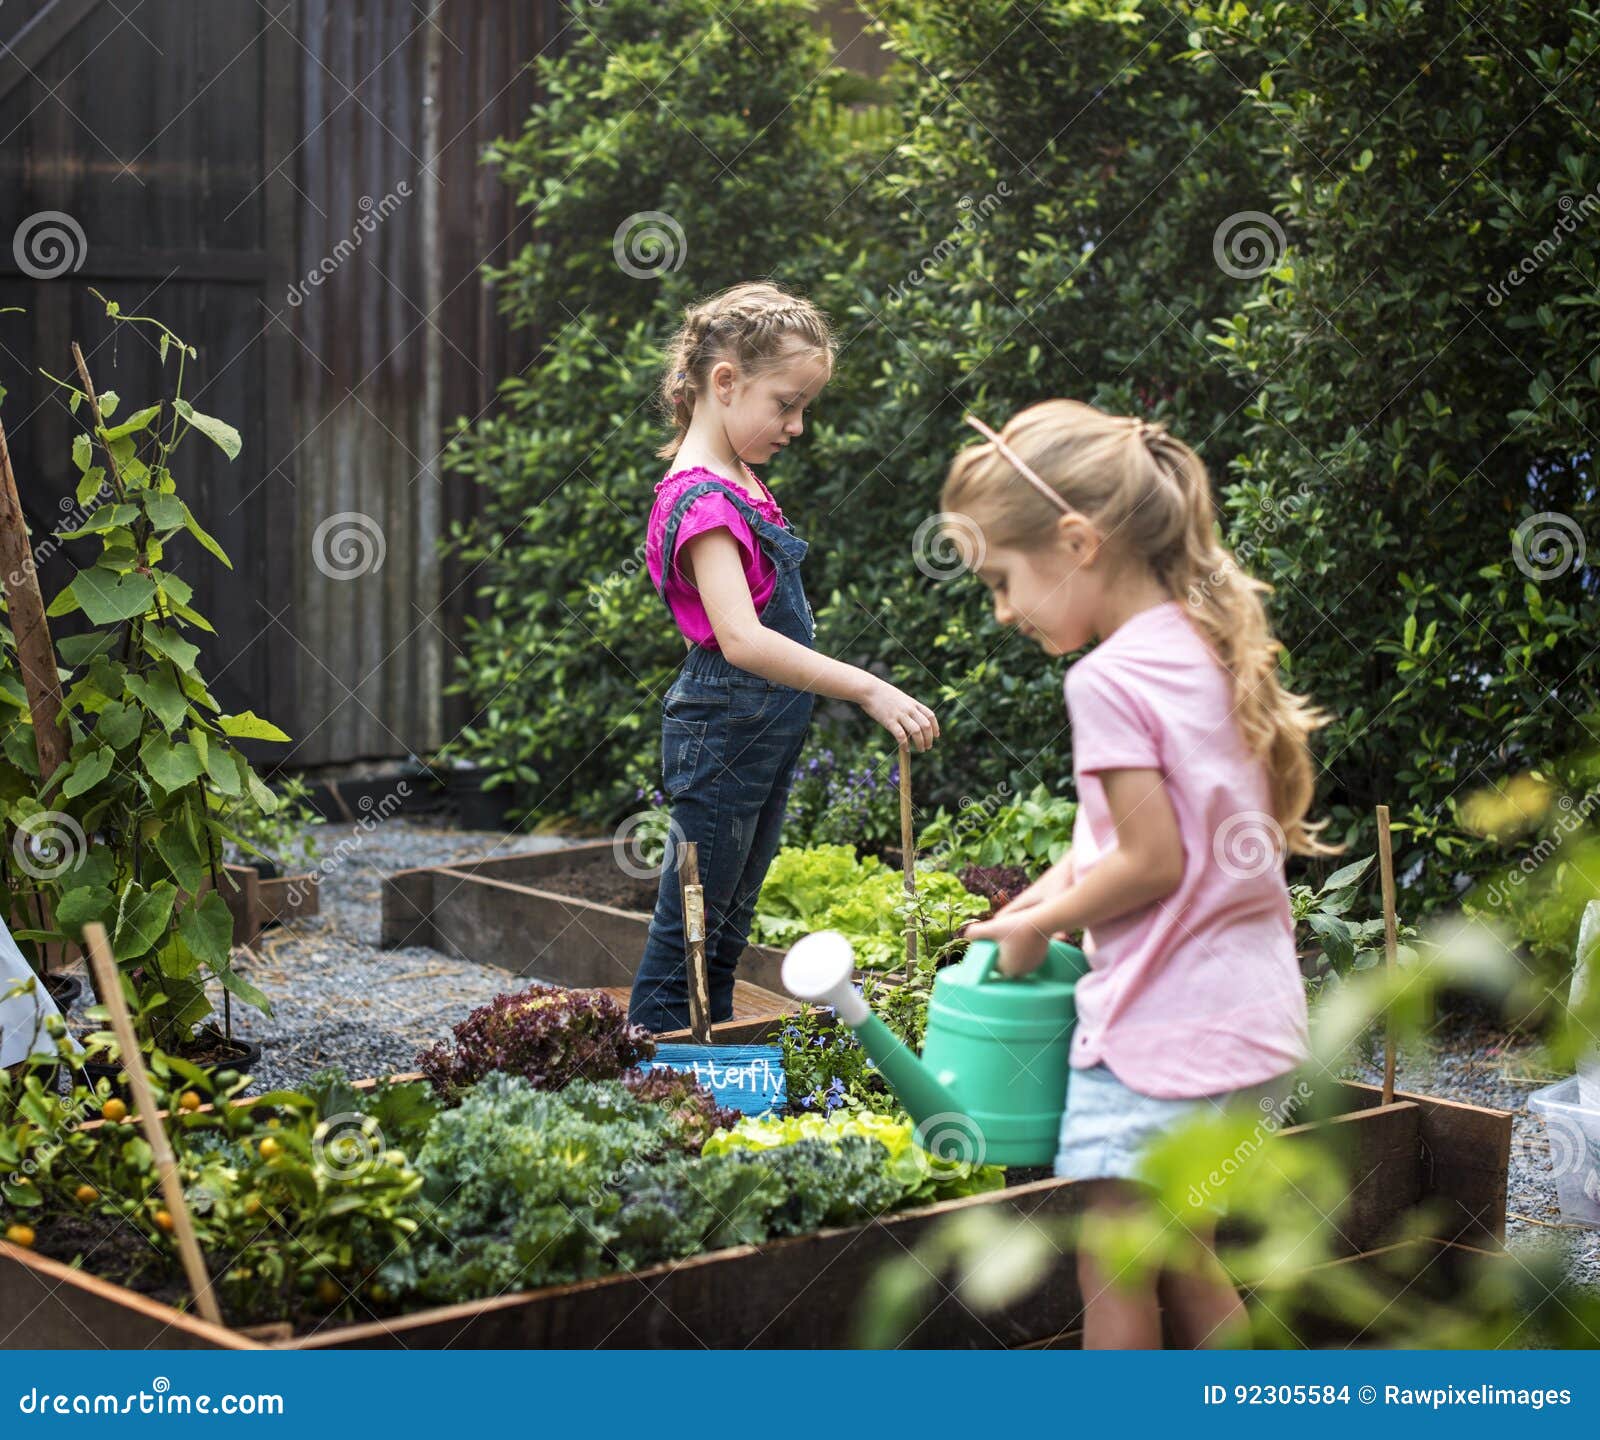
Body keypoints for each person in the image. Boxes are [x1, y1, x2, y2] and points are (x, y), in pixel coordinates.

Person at [945, 400, 1335, 1349]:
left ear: (1077, 543)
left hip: (1164, 1029)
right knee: (1183, 1254)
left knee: (1113, 1261)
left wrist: (1038, 927)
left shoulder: (1107, 679)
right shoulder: (1201, 646)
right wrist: (1045, 890)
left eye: (1002, 579)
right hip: (1245, 1015)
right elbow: (1134, 832)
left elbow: (1154, 862)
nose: (1001, 610)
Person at [629, 281, 940, 1033]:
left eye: (806, 408)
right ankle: (650, 1080)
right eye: (787, 404)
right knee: (689, 934)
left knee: (728, 925)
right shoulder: (701, 501)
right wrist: (866, 687)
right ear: (726, 382)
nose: (798, 425)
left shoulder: (737, 479)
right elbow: (742, 640)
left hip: (758, 734)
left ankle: (712, 1075)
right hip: (723, 737)